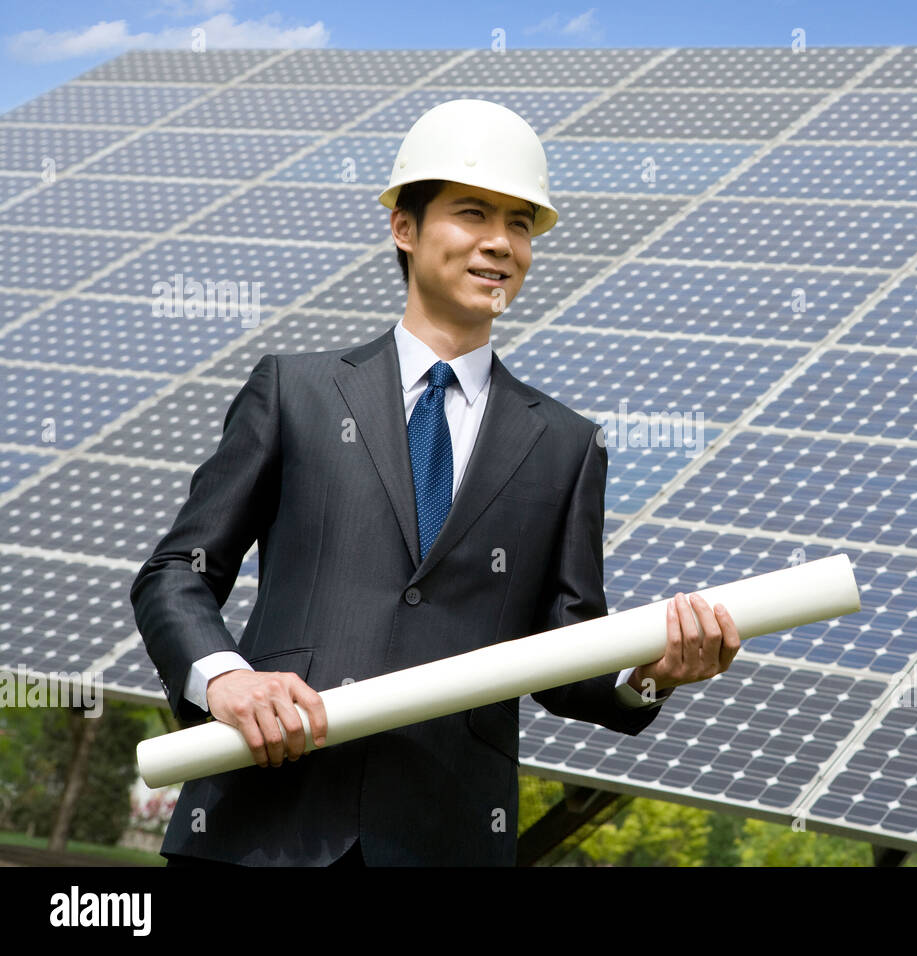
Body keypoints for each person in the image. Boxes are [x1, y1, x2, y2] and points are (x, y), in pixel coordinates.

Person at [131, 99, 740, 866]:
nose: (500, 243)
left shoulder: (566, 445)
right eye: (474, 213)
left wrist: (648, 677)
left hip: (445, 836)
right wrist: (227, 681)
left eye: (521, 224)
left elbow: (567, 651)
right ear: (404, 229)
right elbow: (175, 576)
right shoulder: (296, 391)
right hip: (261, 825)